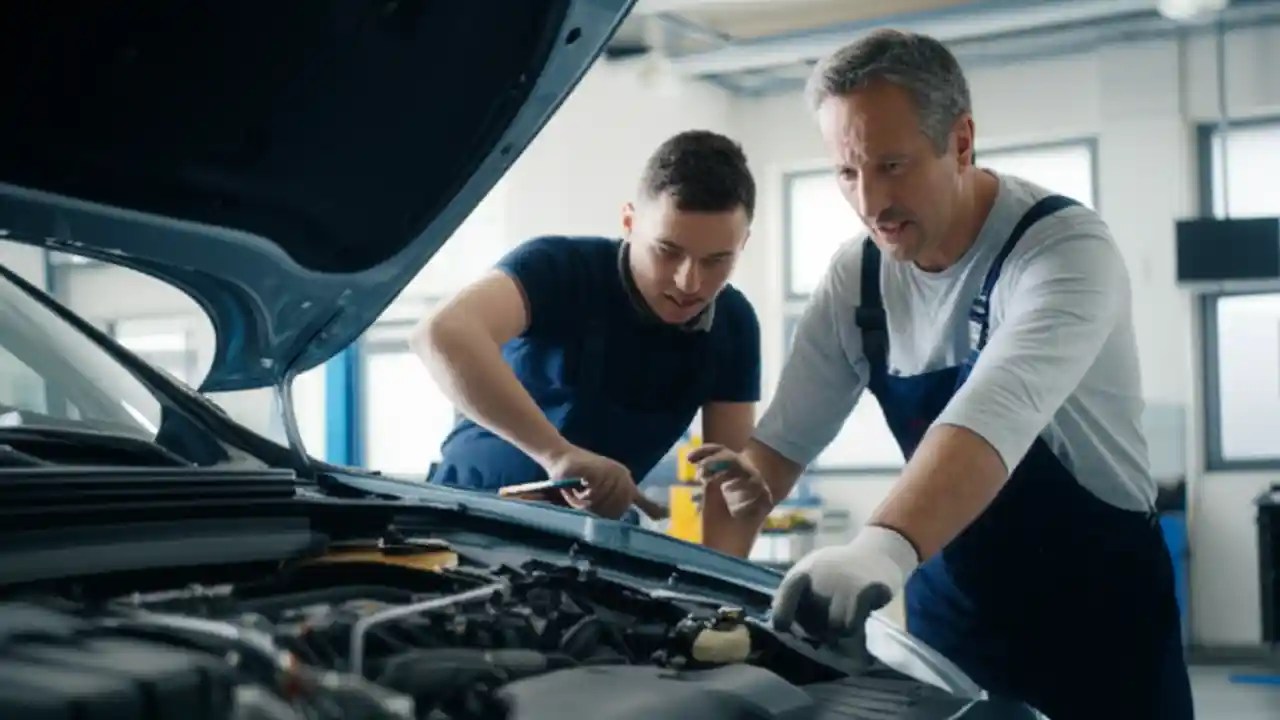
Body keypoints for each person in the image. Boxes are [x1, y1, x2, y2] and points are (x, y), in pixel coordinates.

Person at [689, 29, 1193, 719]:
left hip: (1099, 619)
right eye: (847, 173)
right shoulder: (857, 275)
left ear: (960, 142)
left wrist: (881, 548)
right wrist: (721, 562)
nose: (870, 202)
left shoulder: (1063, 250)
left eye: (891, 165)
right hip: (950, 621)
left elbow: (995, 409)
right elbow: (779, 447)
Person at [412, 129, 762, 523]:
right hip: (462, 517)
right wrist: (557, 453)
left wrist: (742, 497)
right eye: (667, 251)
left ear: (743, 243)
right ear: (629, 222)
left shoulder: (734, 325)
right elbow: (441, 334)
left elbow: (725, 489)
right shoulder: (557, 268)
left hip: (588, 542)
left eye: (716, 260)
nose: (689, 283)